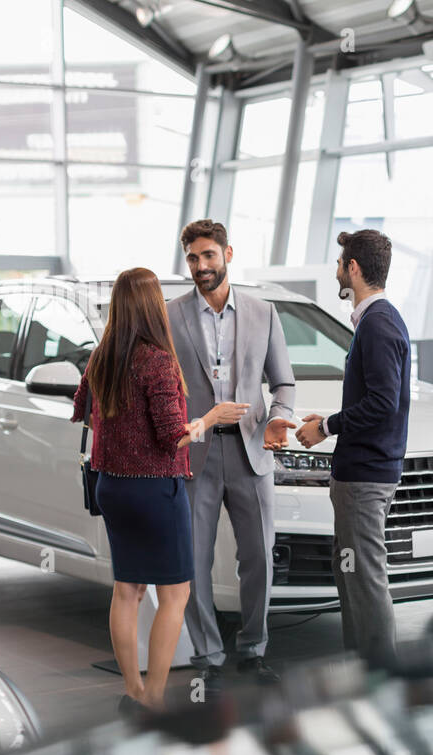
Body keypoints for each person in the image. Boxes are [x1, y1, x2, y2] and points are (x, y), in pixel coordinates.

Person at [71, 267, 247, 714]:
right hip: (155, 491)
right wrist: (210, 418)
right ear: (153, 307)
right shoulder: (157, 360)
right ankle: (154, 697)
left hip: (111, 486)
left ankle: (132, 689)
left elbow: (83, 414)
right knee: (175, 594)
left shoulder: (100, 357)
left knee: (126, 591)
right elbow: (175, 435)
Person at [295, 229, 433, 679]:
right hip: (363, 473)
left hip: (364, 478)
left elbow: (382, 403)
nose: (338, 270)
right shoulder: (380, 320)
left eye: (341, 263)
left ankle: (380, 681)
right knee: (355, 579)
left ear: (353, 269)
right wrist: (334, 419)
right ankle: (363, 675)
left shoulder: (377, 324)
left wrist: (326, 427)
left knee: (366, 581)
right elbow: (380, 397)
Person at [169, 219, 298, 695]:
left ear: (227, 253)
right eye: (192, 259)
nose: (201, 267)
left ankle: (254, 649)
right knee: (193, 560)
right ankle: (207, 655)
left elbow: (283, 381)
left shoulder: (264, 312)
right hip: (195, 453)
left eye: (208, 256)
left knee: (259, 557)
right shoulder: (170, 314)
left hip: (252, 450)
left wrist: (280, 417)